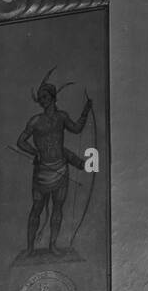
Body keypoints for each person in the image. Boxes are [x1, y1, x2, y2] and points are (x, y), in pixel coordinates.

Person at [17, 74, 92, 254]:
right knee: (36, 208)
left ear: (52, 97)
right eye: (40, 98)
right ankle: (29, 248)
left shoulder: (62, 117)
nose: (42, 101)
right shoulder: (35, 121)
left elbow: (77, 129)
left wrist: (85, 111)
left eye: (45, 97)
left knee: (57, 208)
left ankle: (52, 245)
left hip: (60, 169)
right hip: (42, 172)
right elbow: (21, 141)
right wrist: (35, 153)